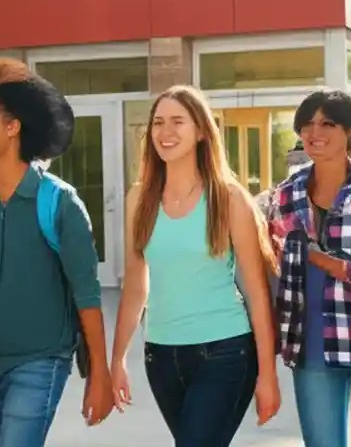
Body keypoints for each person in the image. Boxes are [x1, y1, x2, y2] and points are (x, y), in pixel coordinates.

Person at [0, 57, 113, 446]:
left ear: (13, 128)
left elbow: (86, 293)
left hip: (41, 360)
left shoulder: (59, 203)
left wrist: (100, 373)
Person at [109, 86, 281, 446]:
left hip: (225, 352)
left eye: (177, 122)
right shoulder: (139, 198)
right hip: (161, 355)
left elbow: (256, 292)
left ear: (202, 131)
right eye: (158, 122)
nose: (165, 132)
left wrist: (268, 375)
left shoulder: (229, 197)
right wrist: (118, 358)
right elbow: (137, 286)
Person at [268, 88, 351, 447]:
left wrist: (318, 257)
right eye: (307, 124)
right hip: (311, 344)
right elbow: (270, 261)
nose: (315, 132)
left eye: (327, 123)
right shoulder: (284, 194)